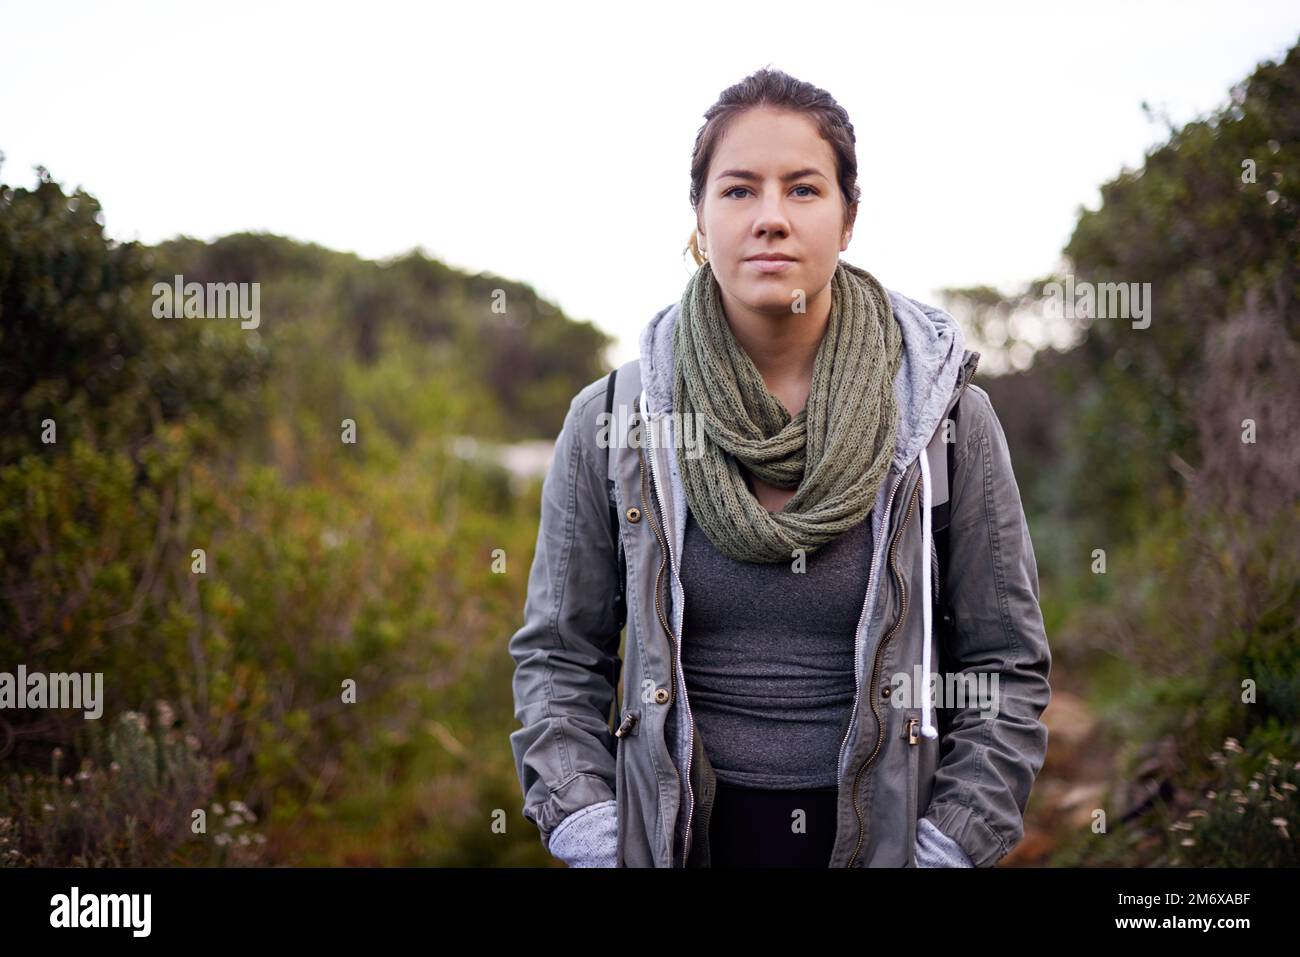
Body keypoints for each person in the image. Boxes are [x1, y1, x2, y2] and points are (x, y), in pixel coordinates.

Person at [509, 67, 1051, 868]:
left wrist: (948, 844)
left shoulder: (948, 421)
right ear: (698, 217)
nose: (770, 218)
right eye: (737, 191)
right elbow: (558, 657)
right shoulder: (616, 419)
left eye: (803, 189)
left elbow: (1006, 666)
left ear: (848, 216)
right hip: (675, 845)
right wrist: (593, 835)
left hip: (886, 845)